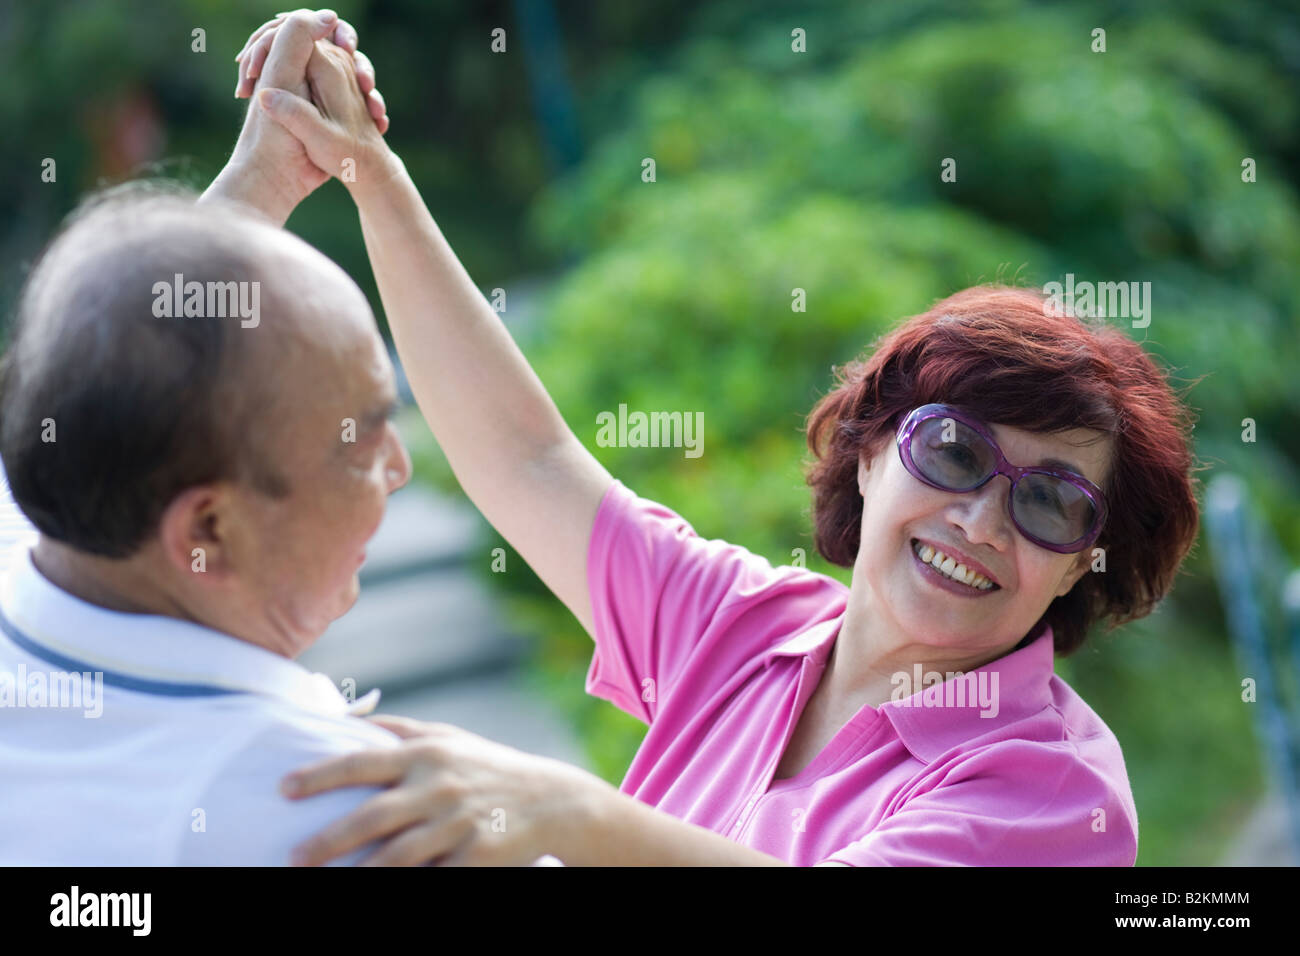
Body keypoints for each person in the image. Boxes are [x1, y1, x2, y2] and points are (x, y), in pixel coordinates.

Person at [224, 12, 1200, 866]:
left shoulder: (1053, 785)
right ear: (868, 451)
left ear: (1084, 566)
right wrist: (366, 169)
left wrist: (565, 808)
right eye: (952, 451)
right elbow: (525, 458)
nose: (984, 518)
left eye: (1050, 503)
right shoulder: (744, 629)